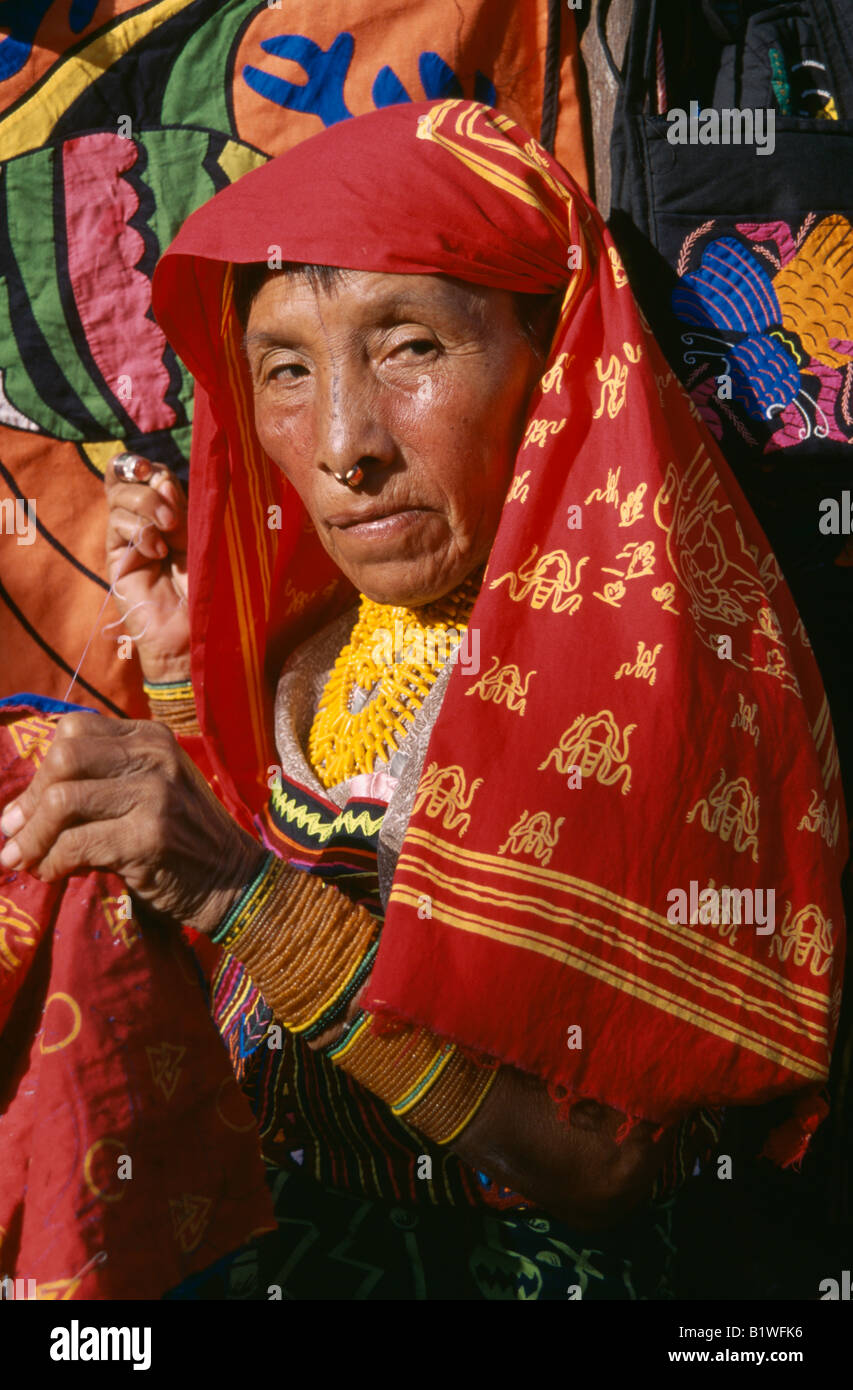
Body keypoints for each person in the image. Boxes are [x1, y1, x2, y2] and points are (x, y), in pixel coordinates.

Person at [0, 99, 845, 1301]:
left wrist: (242, 894)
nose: (344, 443)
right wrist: (184, 676)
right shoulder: (324, 644)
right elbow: (249, 949)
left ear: (549, 360)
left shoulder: (652, 685)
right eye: (286, 369)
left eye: (408, 347)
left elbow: (601, 1163)